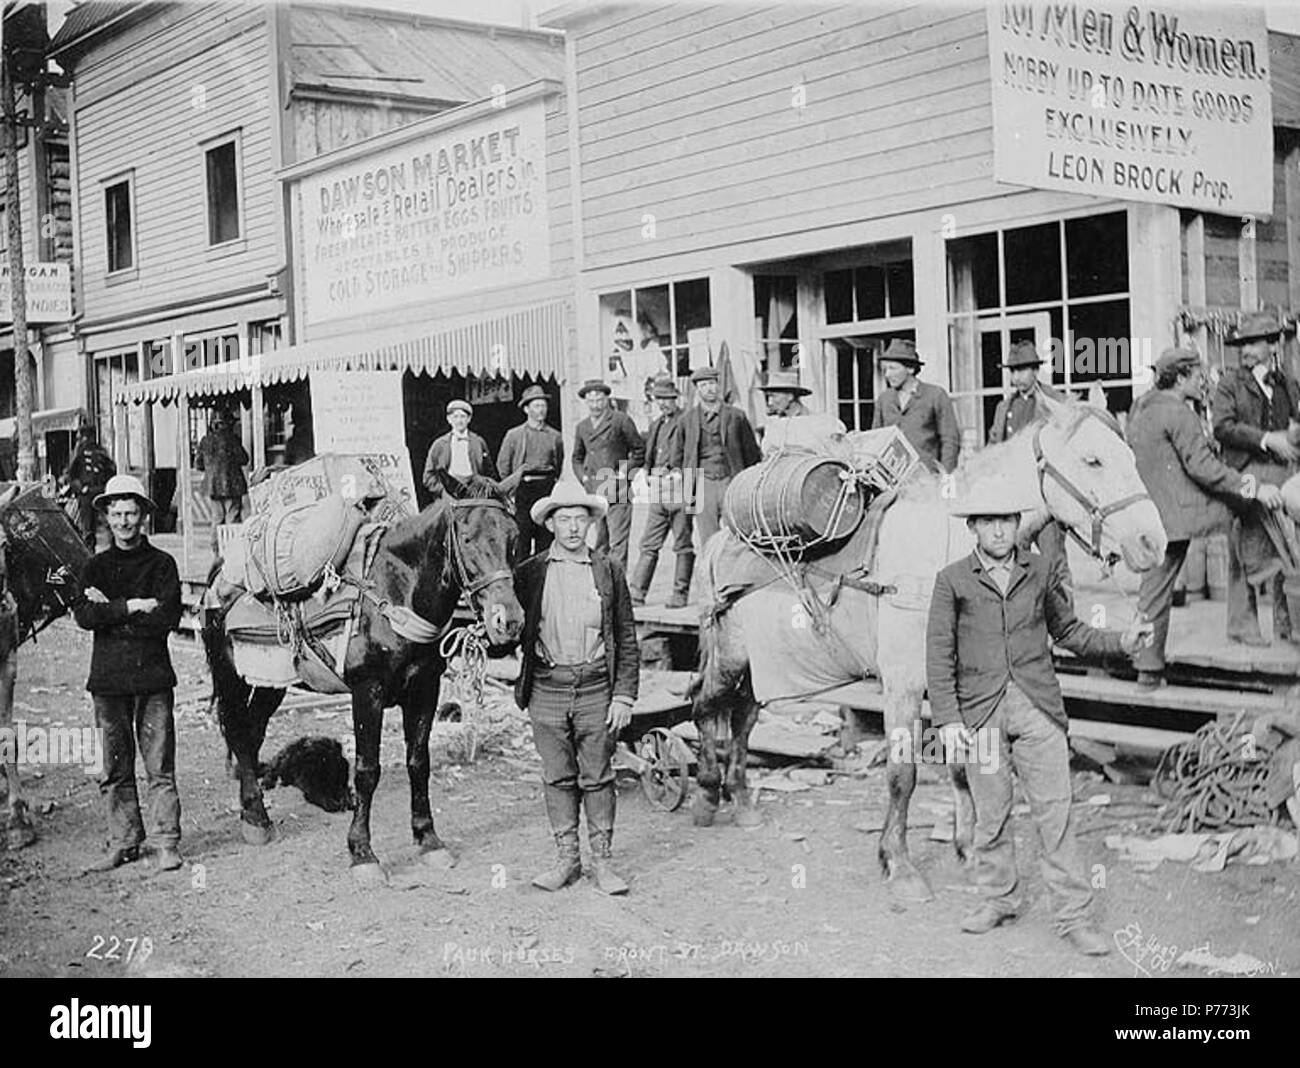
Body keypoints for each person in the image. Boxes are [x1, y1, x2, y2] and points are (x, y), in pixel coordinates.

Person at [925, 473, 1152, 955]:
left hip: (1038, 707)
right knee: (991, 813)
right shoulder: (951, 582)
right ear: (974, 528)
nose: (999, 531)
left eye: (1006, 520)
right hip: (979, 714)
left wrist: (1121, 643)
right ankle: (997, 898)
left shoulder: (1040, 568)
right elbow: (938, 656)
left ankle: (1074, 917)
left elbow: (1070, 631)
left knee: (1057, 814)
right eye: (987, 522)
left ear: (1015, 523)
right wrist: (948, 722)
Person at [513, 480, 639, 896]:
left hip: (596, 686)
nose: (571, 528)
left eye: (579, 520)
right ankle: (567, 860)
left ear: (590, 524)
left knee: (598, 775)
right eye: (563, 519)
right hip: (546, 688)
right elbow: (508, 626)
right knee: (557, 775)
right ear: (550, 524)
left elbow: (625, 634)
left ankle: (602, 863)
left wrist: (623, 694)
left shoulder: (608, 570)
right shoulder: (529, 574)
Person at [1129, 347, 1283, 687]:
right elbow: (1205, 469)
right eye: (1198, 377)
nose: (1203, 384)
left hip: (1151, 512)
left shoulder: (1141, 406)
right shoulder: (1178, 413)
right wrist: (1253, 486)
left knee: (1154, 590)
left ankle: (1147, 667)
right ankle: (1260, 591)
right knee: (1248, 510)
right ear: (1180, 377)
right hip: (1180, 515)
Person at [74, 475, 184, 874]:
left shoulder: (162, 564)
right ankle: (124, 841)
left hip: (153, 679)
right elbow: (85, 616)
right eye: (116, 513)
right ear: (105, 516)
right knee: (114, 768)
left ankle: (166, 842)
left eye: (131, 512)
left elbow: (167, 618)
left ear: (143, 516)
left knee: (159, 766)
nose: (123, 521)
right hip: (107, 682)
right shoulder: (95, 567)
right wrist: (135, 606)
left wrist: (112, 612)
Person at [1211, 311, 1300, 646]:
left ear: (1273, 345)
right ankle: (1241, 626)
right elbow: (1222, 426)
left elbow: (1295, 422)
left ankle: (1287, 623)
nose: (1245, 350)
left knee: (1287, 550)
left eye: (1252, 343)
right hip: (1243, 476)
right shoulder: (1229, 383)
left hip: (1281, 475)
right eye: (1242, 344)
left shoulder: (1287, 383)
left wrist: (1293, 436)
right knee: (1241, 546)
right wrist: (1267, 439)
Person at [988, 340, 1069, 566]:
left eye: (1022, 370)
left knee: (1054, 562)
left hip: (1045, 500)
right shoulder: (1004, 408)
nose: (1016, 377)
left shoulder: (1054, 402)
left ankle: (1061, 602)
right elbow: (995, 448)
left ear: (1035, 370)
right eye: (1013, 371)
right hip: (1015, 499)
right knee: (1016, 559)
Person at [679, 365, 762, 549]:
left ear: (719, 386)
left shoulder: (736, 416)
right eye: (704, 385)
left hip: (730, 480)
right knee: (708, 538)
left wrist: (748, 483)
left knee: (738, 533)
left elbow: (752, 454)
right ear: (697, 390)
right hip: (702, 484)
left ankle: (735, 575)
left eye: (713, 383)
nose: (710, 388)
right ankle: (712, 576)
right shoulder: (687, 420)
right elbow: (679, 456)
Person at [629, 378, 693, 608]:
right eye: (660, 399)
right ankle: (636, 593)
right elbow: (650, 453)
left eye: (668, 399)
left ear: (676, 399)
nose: (664, 403)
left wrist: (683, 474)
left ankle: (680, 593)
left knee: (682, 542)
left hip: (680, 486)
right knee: (649, 542)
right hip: (658, 488)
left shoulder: (687, 421)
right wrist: (646, 470)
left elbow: (694, 452)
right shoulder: (657, 424)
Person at [570, 378, 645, 571]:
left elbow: (639, 450)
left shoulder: (620, 420)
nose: (595, 405)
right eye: (591, 401)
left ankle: (619, 590)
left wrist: (624, 471)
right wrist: (584, 478)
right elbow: (576, 457)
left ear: (607, 399)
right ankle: (603, 586)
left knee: (618, 543)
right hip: (595, 491)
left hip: (618, 490)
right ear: (586, 402)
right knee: (601, 542)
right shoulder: (582, 427)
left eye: (599, 400)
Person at [497, 385, 565, 564]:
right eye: (536, 406)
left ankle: (542, 583)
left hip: (546, 490)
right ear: (526, 409)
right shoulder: (514, 435)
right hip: (523, 491)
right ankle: (522, 584)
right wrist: (510, 491)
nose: (541, 410)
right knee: (522, 541)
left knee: (545, 539)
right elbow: (503, 466)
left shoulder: (555, 436)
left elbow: (559, 464)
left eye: (543, 405)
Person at [872, 338, 960, 473]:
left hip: (928, 479)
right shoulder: (884, 399)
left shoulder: (936, 395)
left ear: (911, 369)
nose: (887, 375)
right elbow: (877, 439)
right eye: (885, 369)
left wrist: (946, 479)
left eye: (892, 368)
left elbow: (950, 441)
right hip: (893, 482)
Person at [422, 399, 498, 500]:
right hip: (449, 493)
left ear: (469, 419)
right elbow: (428, 477)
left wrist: (484, 488)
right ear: (449, 419)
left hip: (475, 493)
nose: (459, 421)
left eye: (463, 416)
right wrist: (442, 491)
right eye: (455, 417)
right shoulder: (439, 444)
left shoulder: (479, 442)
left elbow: (490, 473)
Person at [195, 407, 249, 549]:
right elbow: (244, 459)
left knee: (216, 518)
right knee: (232, 517)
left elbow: (198, 465)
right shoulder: (233, 439)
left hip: (213, 486)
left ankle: (217, 550)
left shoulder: (205, 441)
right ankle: (233, 548)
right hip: (233, 485)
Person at [63, 425, 116, 550]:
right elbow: (71, 474)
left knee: (108, 524)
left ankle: (111, 551)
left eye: (85, 437)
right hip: (87, 494)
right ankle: (90, 553)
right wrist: (80, 489)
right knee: (88, 527)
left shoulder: (101, 452)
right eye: (83, 437)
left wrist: (106, 488)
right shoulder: (79, 453)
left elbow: (111, 471)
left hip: (100, 493)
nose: (85, 440)